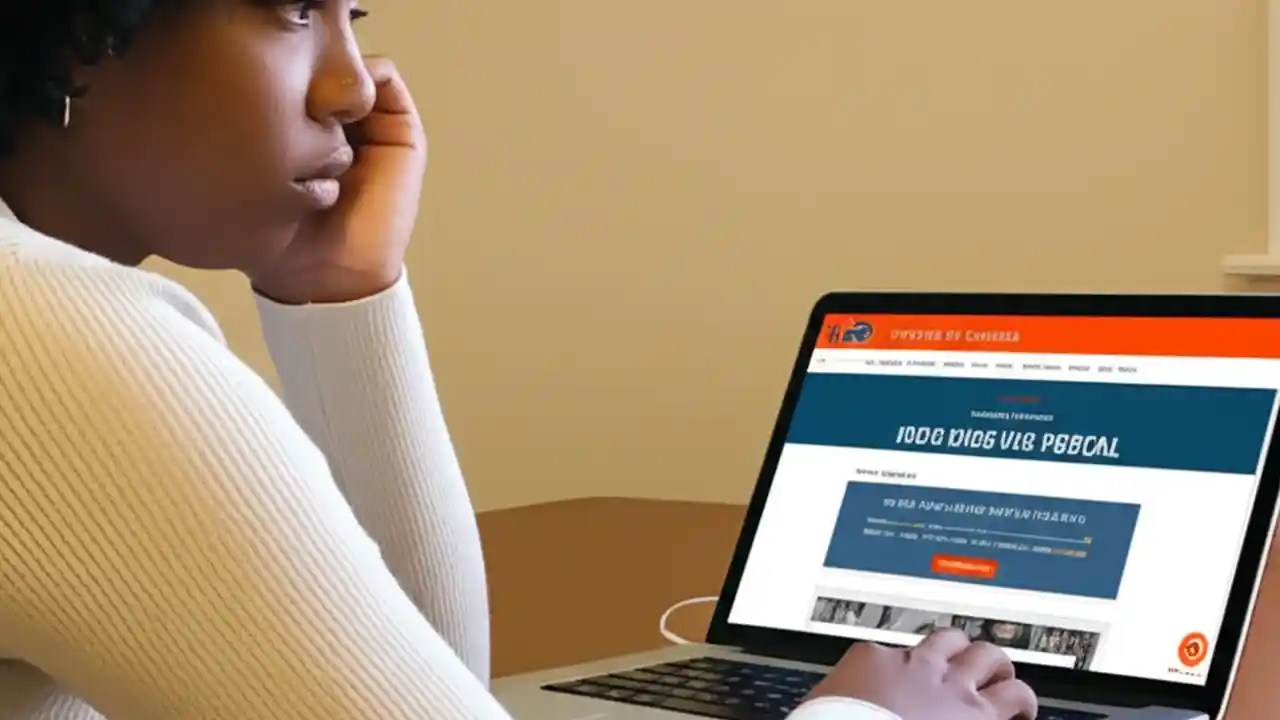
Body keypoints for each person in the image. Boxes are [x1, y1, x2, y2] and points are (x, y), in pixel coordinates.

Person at [0, 2, 1039, 719]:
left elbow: (440, 682)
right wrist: (863, 709)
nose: (353, 89)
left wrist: (342, 292)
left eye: (352, 21)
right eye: (288, 9)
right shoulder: (60, 333)